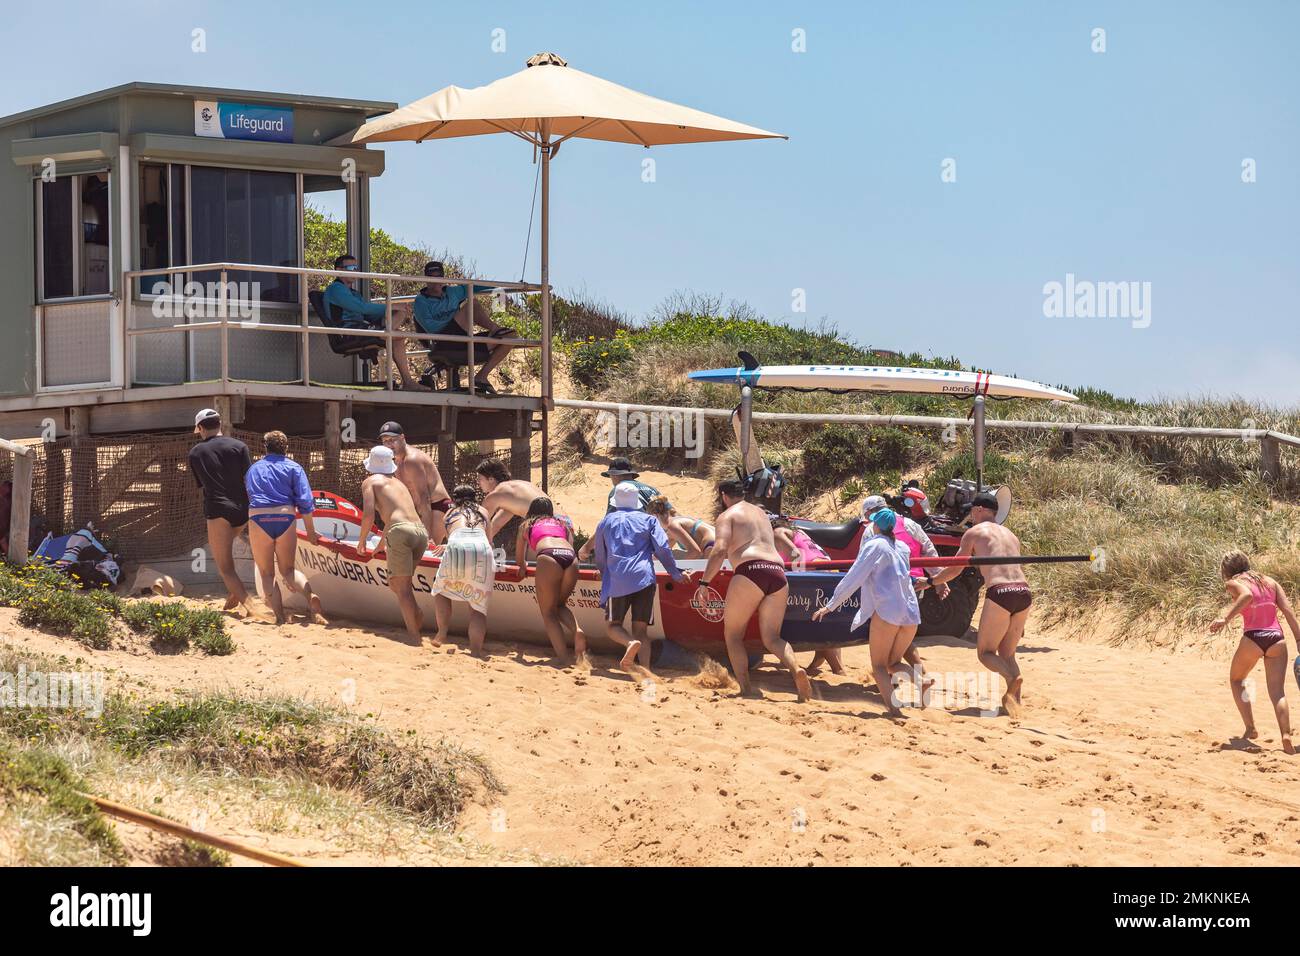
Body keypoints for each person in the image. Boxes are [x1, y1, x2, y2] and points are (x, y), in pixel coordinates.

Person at [694, 480, 811, 701]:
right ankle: (796, 669)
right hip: (777, 573)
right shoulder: (761, 514)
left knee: (733, 635)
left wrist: (704, 583)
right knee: (772, 638)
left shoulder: (727, 515)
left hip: (750, 570)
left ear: (723, 495)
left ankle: (746, 688)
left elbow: (719, 550)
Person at [812, 507, 924, 716]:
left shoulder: (874, 545)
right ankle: (921, 680)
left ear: (876, 526)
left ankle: (894, 710)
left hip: (888, 611)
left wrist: (831, 605)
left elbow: (854, 576)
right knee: (893, 663)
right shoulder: (901, 547)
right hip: (910, 613)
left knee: (879, 666)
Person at [929, 492, 1029, 717]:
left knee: (985, 653)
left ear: (980, 510)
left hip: (1001, 592)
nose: (971, 515)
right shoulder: (1011, 535)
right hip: (1023, 592)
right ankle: (1015, 705)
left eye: (972, 510)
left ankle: (1012, 678)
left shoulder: (974, 533)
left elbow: (956, 568)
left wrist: (932, 581)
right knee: (1008, 654)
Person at [578, 482, 684, 672]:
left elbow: (600, 554)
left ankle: (629, 643)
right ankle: (645, 670)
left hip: (618, 578)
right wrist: (675, 573)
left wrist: (604, 573)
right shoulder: (649, 520)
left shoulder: (606, 522)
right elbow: (662, 548)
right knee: (641, 630)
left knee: (613, 626)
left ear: (616, 501)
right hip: (645, 578)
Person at [1209, 550, 1297, 753]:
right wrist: (1299, 639)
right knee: (1278, 692)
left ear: (1226, 570)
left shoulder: (1233, 582)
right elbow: (1288, 612)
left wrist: (1225, 619)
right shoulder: (1270, 582)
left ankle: (1250, 728)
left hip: (1253, 638)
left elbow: (1247, 595)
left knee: (1236, 679)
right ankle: (1286, 735)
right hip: (1277, 638)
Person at [244, 430, 324, 625]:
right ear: (286, 448)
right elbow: (305, 501)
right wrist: (310, 532)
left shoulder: (254, 469)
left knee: (266, 573)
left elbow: (249, 495)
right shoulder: (294, 468)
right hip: (285, 516)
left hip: (259, 517)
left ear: (265, 447)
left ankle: (280, 617)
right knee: (288, 570)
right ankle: (310, 596)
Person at [354, 445, 429, 642]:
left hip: (400, 532)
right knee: (398, 584)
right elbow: (396, 514)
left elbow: (368, 515)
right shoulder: (399, 484)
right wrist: (382, 543)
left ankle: (413, 635)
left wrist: (361, 542)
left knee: (401, 588)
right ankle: (416, 614)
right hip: (420, 532)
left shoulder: (370, 482)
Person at [188, 408, 256, 617]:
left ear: (200, 428)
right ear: (219, 425)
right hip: (243, 509)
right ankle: (234, 592)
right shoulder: (240, 446)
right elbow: (249, 478)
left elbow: (202, 485)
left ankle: (252, 608)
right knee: (228, 553)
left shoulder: (196, 453)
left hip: (218, 510)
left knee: (225, 568)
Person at [411, 260, 514, 395]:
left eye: (439, 276)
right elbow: (431, 328)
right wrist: (456, 318)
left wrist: (499, 288)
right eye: (432, 277)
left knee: (510, 337)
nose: (436, 281)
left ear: (443, 278)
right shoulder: (420, 301)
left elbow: (473, 287)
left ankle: (482, 376)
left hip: (463, 340)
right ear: (426, 279)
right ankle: (495, 329)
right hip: (443, 340)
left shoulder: (453, 292)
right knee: (472, 304)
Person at [322, 254, 420, 389]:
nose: (355, 271)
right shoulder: (335, 289)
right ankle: (408, 382)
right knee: (396, 334)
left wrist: (398, 311)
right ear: (338, 270)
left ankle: (408, 382)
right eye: (350, 268)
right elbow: (361, 307)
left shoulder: (354, 293)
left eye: (356, 268)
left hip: (360, 328)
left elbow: (368, 314)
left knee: (398, 329)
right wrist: (390, 306)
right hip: (347, 332)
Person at [770, 515, 845, 675]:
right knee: (824, 621)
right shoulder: (798, 531)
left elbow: (795, 554)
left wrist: (797, 578)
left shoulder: (777, 532)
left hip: (816, 573)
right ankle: (821, 661)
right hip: (827, 569)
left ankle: (838, 669)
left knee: (815, 622)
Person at [515, 497, 586, 662]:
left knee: (548, 613)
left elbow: (519, 558)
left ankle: (563, 658)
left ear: (531, 510)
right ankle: (577, 630)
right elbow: (570, 545)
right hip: (571, 558)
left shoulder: (526, 525)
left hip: (548, 556)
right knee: (559, 605)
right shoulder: (562, 524)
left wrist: (523, 568)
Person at [431, 485, 496, 656]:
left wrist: (446, 547)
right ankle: (475, 650)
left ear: (454, 500)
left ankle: (441, 634)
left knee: (441, 592)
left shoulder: (449, 513)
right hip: (482, 549)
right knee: (477, 607)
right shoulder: (483, 511)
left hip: (456, 546)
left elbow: (451, 537)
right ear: (475, 498)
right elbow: (489, 540)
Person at [378, 421, 452, 545]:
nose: (389, 444)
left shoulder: (412, 460)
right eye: (385, 441)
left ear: (402, 437)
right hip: (420, 510)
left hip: (437, 506)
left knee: (426, 548)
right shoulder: (395, 461)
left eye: (392, 440)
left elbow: (424, 498)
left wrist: (426, 534)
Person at [475, 457, 549, 546]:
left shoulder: (495, 494)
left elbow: (478, 525)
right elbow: (496, 525)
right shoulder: (513, 491)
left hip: (545, 527)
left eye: (480, 479)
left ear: (491, 479)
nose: (478, 483)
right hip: (561, 523)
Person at [645, 495, 715, 557]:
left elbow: (695, 552)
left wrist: (683, 567)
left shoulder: (672, 526)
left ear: (655, 516)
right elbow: (661, 553)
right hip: (716, 541)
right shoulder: (673, 528)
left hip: (711, 546)